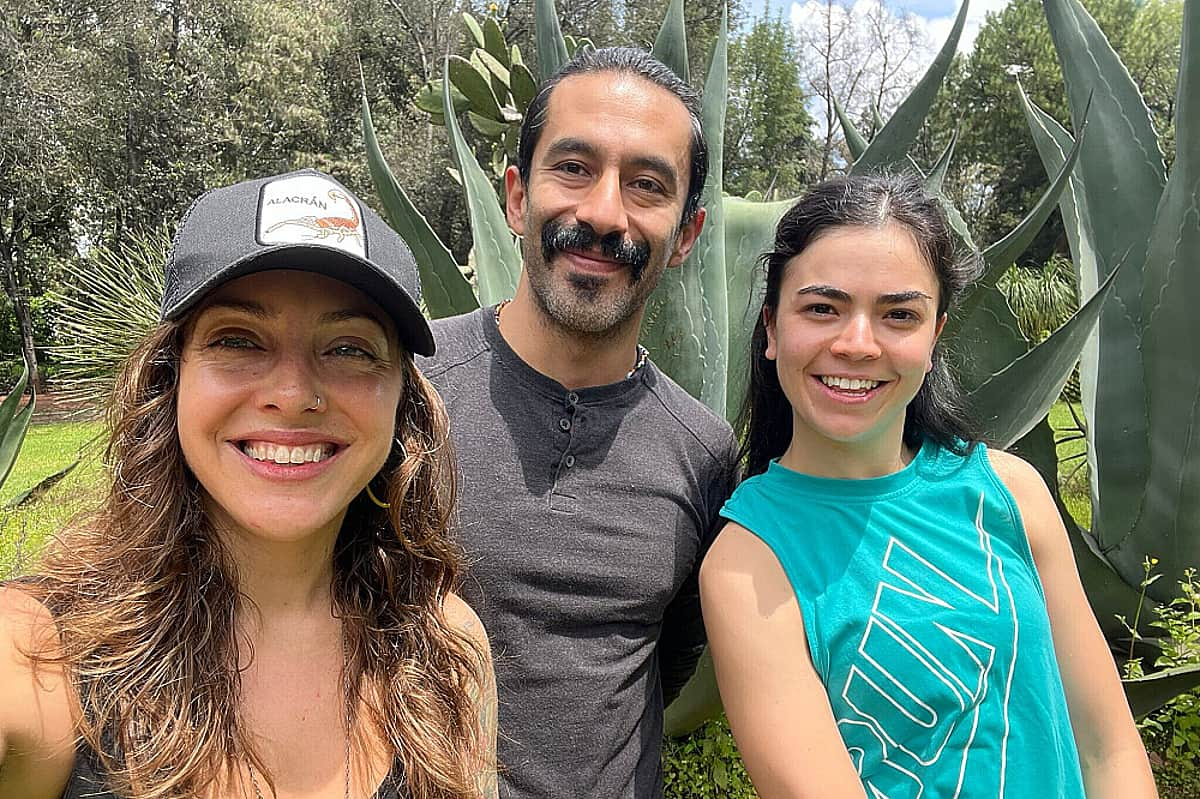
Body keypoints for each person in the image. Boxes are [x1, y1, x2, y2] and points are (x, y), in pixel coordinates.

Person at [0, 169, 498, 799]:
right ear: (170, 381)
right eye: (238, 340)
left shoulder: (447, 651)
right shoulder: (38, 654)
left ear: (402, 401)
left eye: (349, 349)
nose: (292, 395)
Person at [700, 174, 1157, 798]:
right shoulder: (749, 564)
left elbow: (1107, 750)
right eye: (822, 309)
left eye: (898, 315)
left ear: (933, 336)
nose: (857, 344)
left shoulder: (1010, 492)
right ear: (772, 328)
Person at [419, 48, 739, 799]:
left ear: (687, 234)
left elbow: (671, 658)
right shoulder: (407, 392)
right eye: (573, 168)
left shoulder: (702, 453)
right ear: (515, 197)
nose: (602, 213)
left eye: (647, 184)